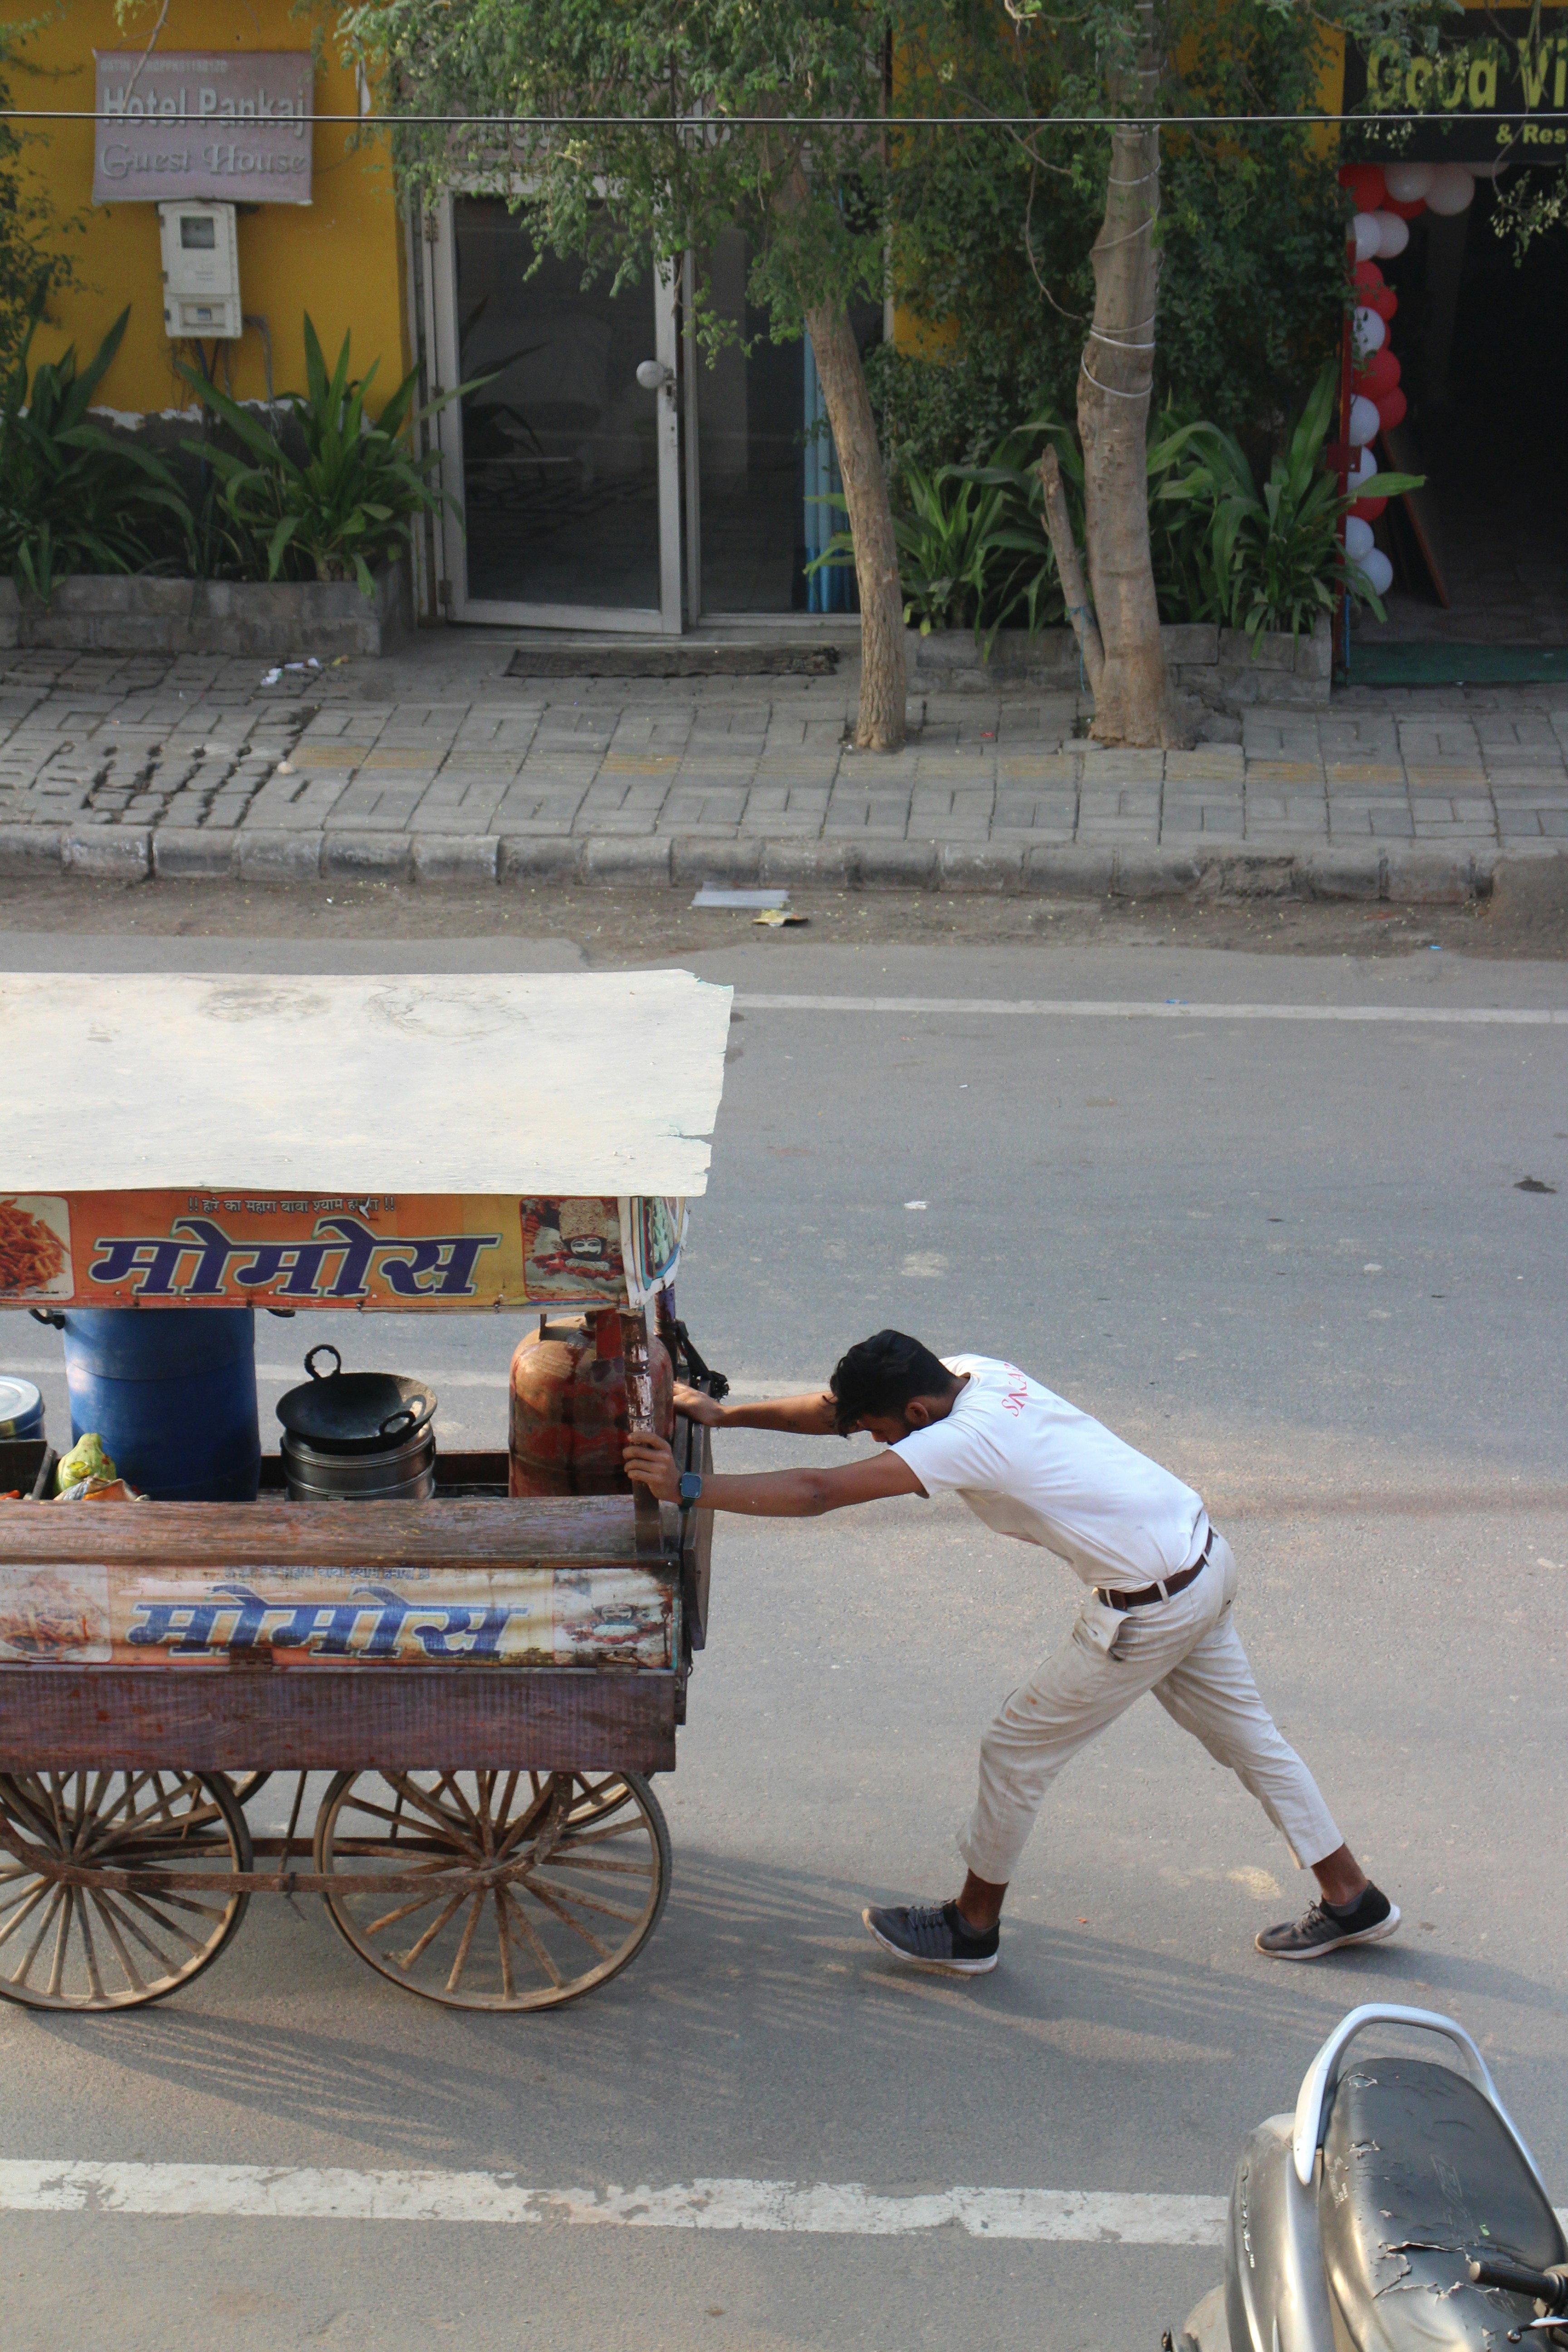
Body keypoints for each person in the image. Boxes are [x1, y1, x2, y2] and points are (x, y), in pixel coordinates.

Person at [625, 1329, 1398, 1977]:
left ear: (919, 1412)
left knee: (1014, 1750)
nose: (878, 1442)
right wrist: (722, 1417)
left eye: (883, 1431)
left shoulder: (967, 1440)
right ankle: (1351, 1898)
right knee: (1251, 1741)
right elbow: (833, 1417)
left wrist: (688, 1485)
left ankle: (972, 1927)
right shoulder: (979, 1373)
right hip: (1202, 1558)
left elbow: (821, 1491)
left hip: (1150, 1607)